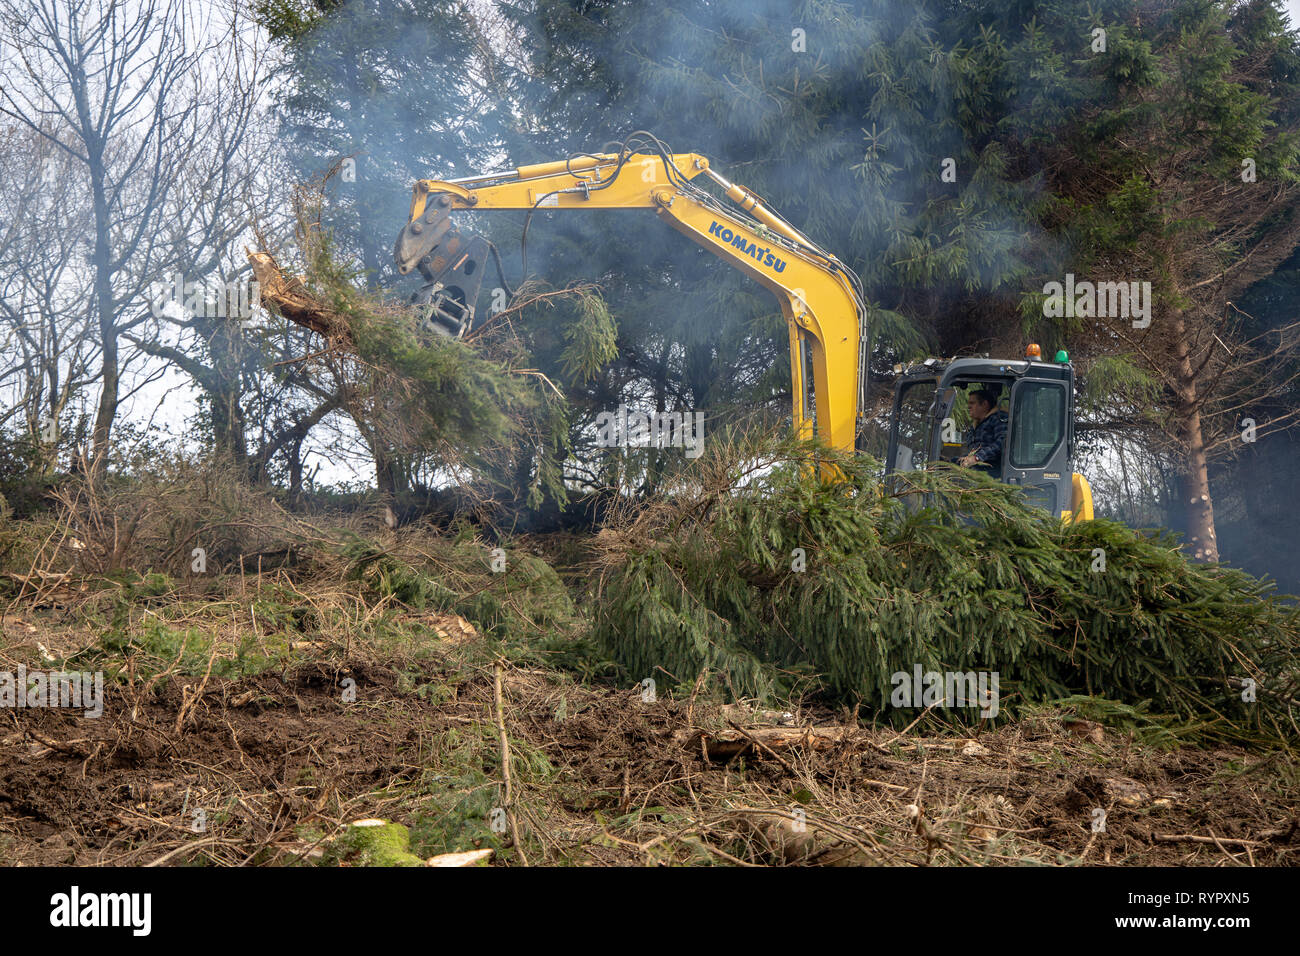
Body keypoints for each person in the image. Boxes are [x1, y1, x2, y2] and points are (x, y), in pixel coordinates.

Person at [958, 389, 1007, 473]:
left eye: (972, 403)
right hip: (976, 469)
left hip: (992, 472)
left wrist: (977, 458)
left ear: (984, 404)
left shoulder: (999, 418)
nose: (968, 407)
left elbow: (1002, 443)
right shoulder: (975, 424)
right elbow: (972, 449)